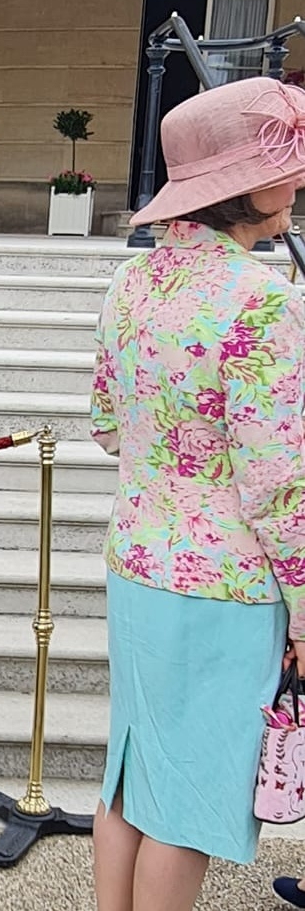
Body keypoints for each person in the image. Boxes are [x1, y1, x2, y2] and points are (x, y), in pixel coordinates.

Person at [90, 76, 305, 911]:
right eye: (283, 165)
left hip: (137, 561)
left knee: (129, 772)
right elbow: (280, 483)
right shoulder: (263, 302)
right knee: (188, 800)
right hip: (228, 582)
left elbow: (107, 423)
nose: (295, 180)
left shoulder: (131, 286)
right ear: (242, 182)